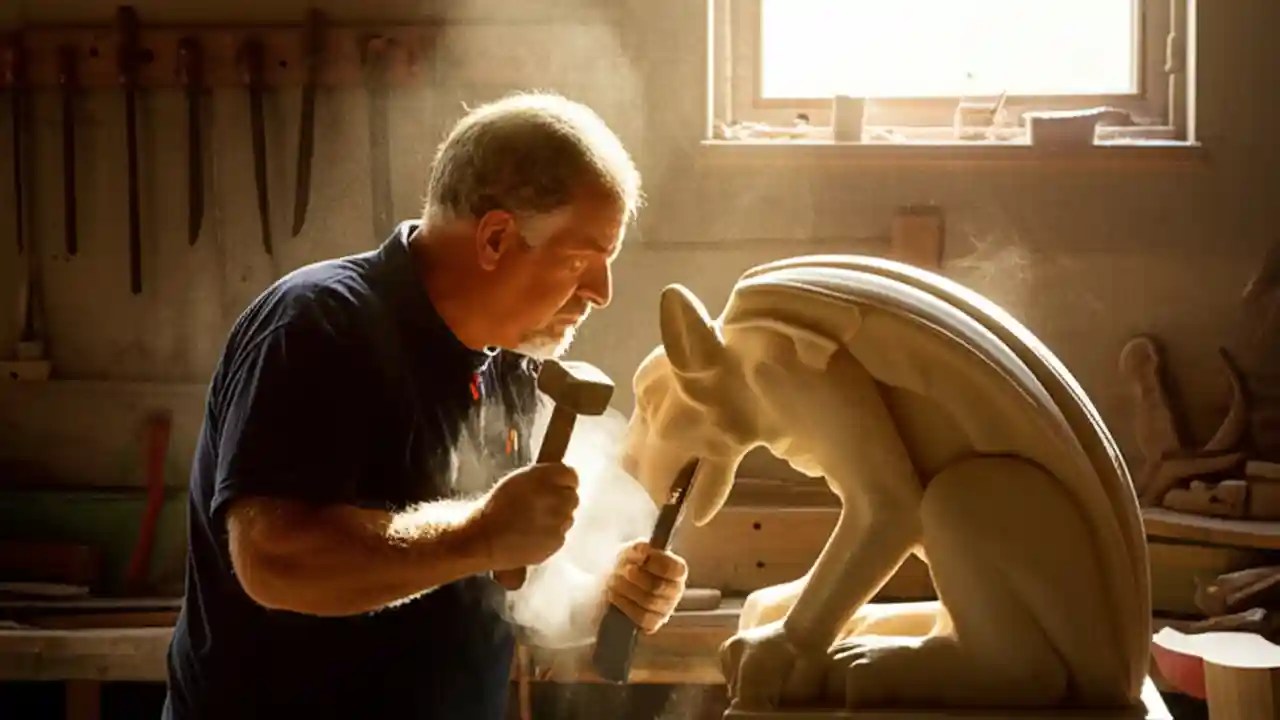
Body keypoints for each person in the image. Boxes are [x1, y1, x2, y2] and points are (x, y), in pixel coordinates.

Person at [163, 92, 689, 719]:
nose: (601, 292)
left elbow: (497, 580)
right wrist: (481, 534)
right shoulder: (316, 325)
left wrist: (601, 599)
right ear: (495, 238)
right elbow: (274, 561)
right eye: (581, 259)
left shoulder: (510, 363)